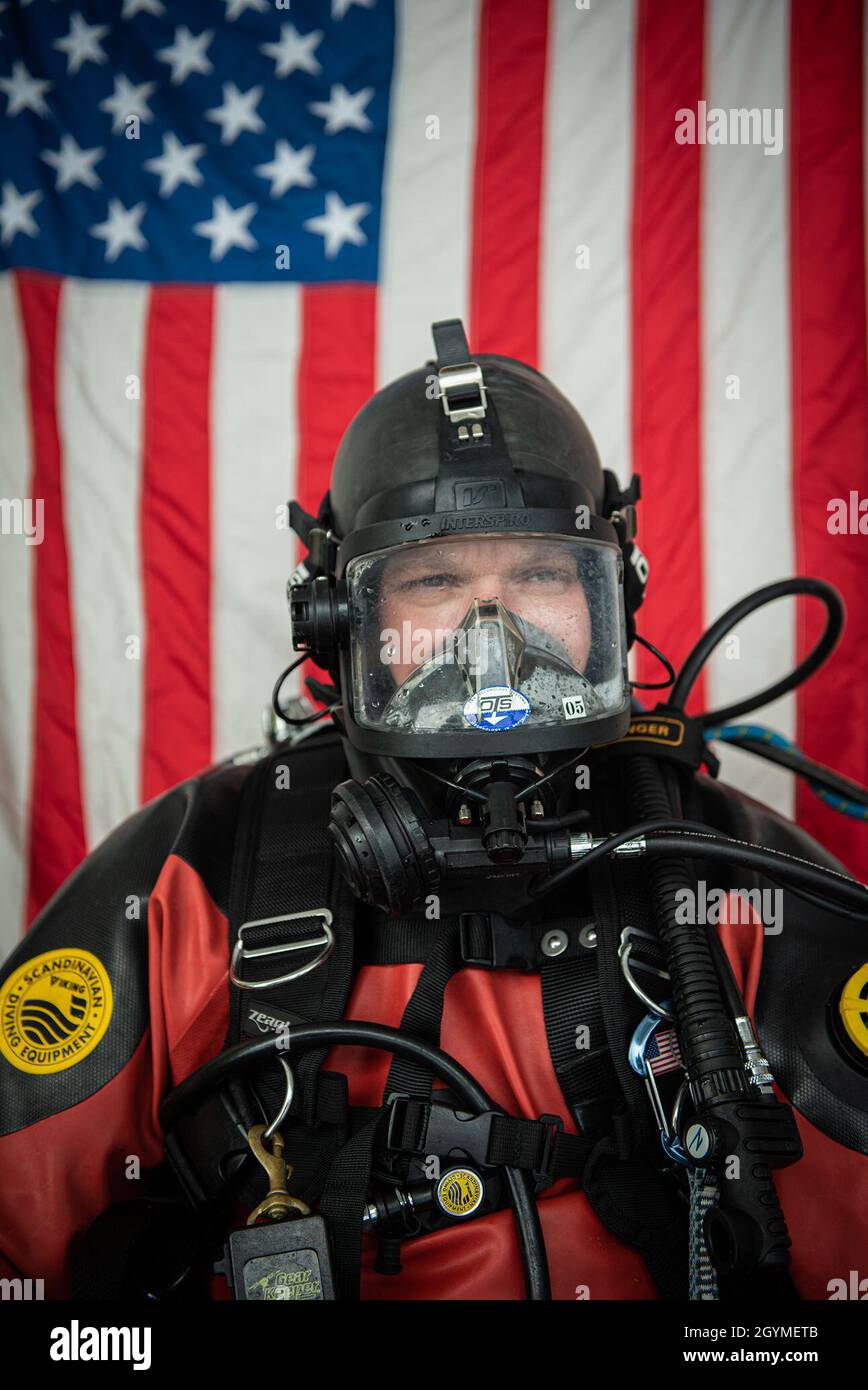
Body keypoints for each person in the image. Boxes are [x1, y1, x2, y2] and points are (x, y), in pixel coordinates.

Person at [0, 319, 865, 1303]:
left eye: (540, 574)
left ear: (609, 593)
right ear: (336, 619)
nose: (487, 641)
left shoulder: (723, 873)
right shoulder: (199, 875)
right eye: (434, 580)